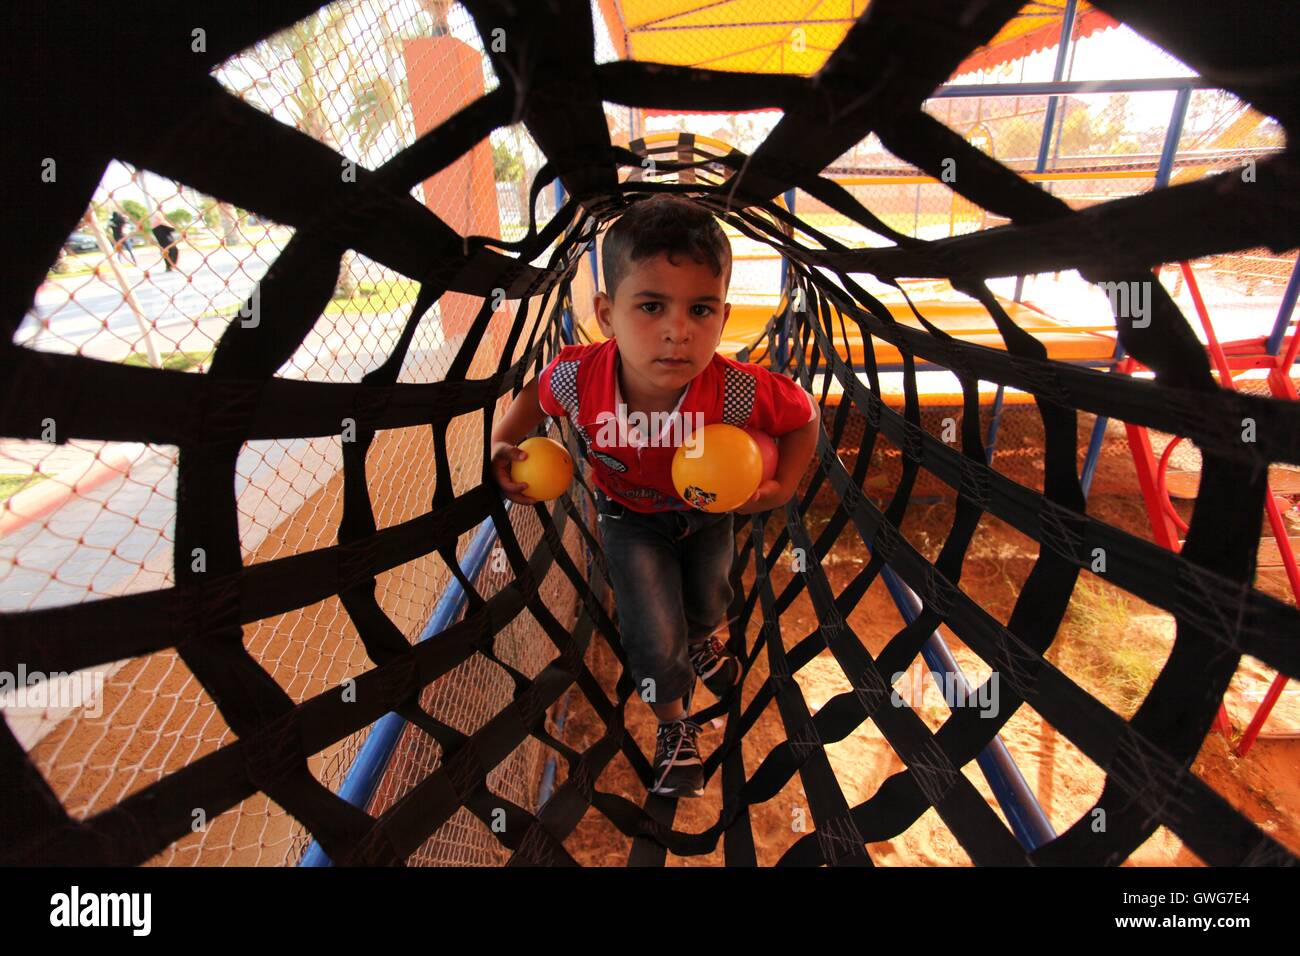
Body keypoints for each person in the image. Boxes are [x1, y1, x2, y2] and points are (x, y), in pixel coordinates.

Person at [490, 195, 820, 798]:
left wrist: (781, 486)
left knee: (708, 594)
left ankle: (702, 638)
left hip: (708, 510)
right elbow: (526, 410)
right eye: (651, 306)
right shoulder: (576, 376)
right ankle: (674, 723)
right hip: (629, 517)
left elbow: (803, 416)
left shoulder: (733, 391)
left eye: (701, 309)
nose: (678, 330)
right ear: (606, 312)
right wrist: (503, 447)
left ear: (724, 316)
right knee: (648, 622)